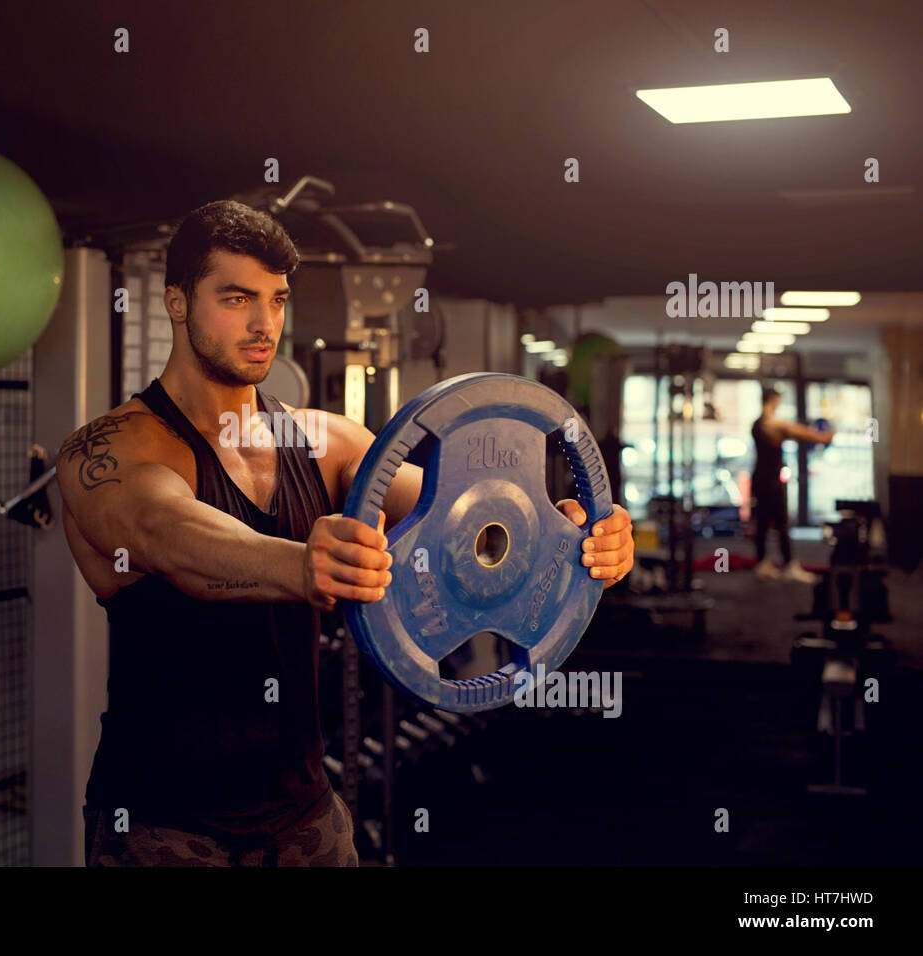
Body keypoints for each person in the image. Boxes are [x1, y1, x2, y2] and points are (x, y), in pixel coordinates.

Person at [56, 200, 633, 867]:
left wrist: (576, 537)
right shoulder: (111, 449)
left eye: (277, 300)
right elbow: (165, 533)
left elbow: (466, 523)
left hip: (304, 813)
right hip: (162, 824)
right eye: (236, 297)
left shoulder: (325, 442)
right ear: (177, 303)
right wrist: (302, 565)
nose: (262, 323)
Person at [750, 385, 834, 583]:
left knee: (763, 524)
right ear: (773, 400)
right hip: (770, 482)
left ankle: (763, 563)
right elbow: (801, 433)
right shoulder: (771, 423)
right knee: (780, 523)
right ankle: (787, 564)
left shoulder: (759, 423)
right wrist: (823, 435)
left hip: (762, 479)